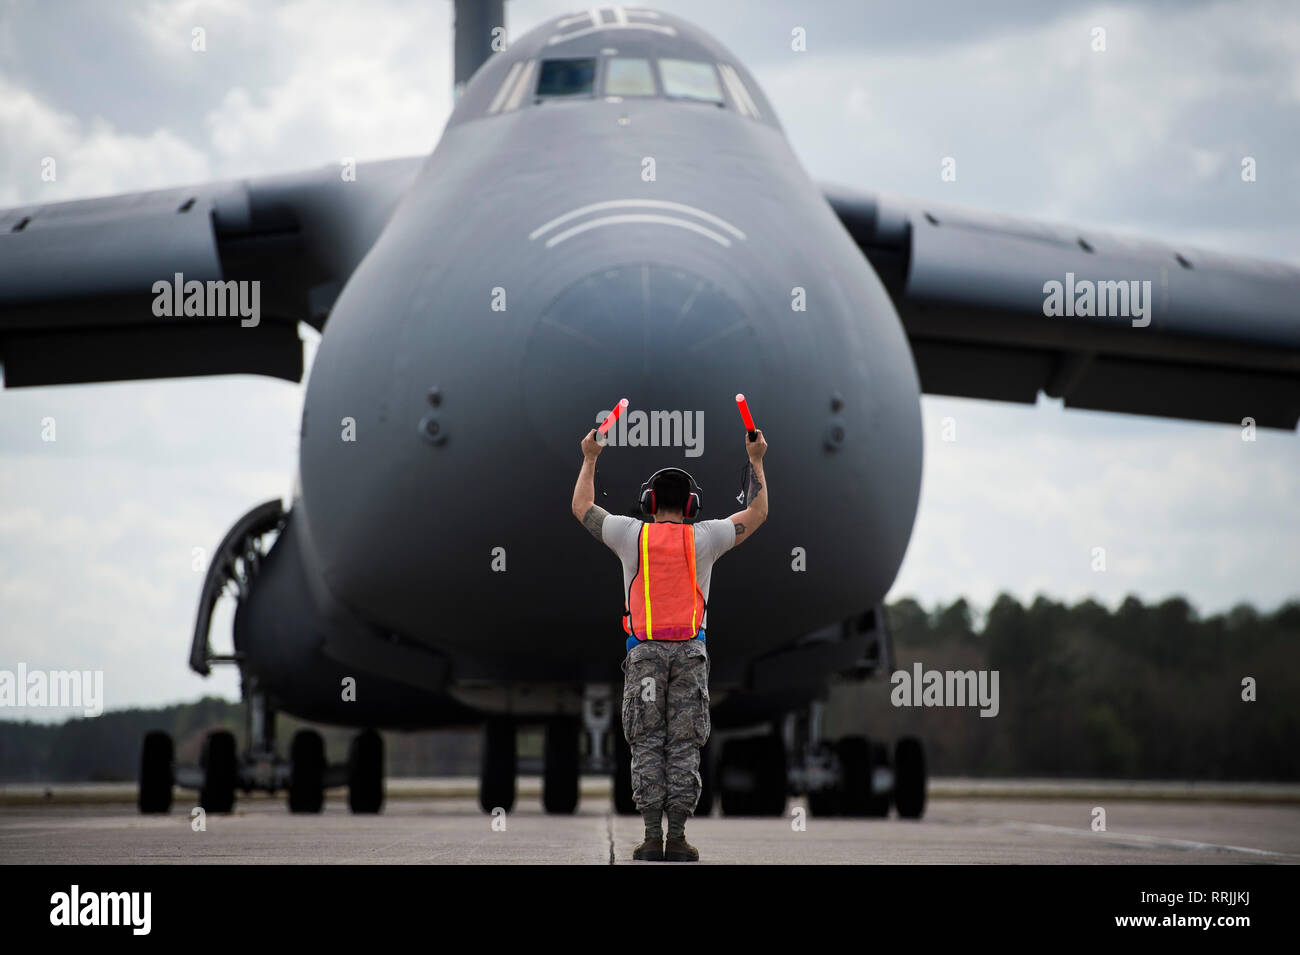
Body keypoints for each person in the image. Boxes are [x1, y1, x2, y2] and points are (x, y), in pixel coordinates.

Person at [571, 424, 769, 861]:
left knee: (645, 742)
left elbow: (582, 506)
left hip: (643, 657)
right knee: (684, 743)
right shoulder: (706, 537)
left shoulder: (630, 535)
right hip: (691, 656)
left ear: (650, 503)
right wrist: (755, 461)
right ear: (692, 506)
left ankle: (649, 838)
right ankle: (677, 838)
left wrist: (590, 456)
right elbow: (756, 513)